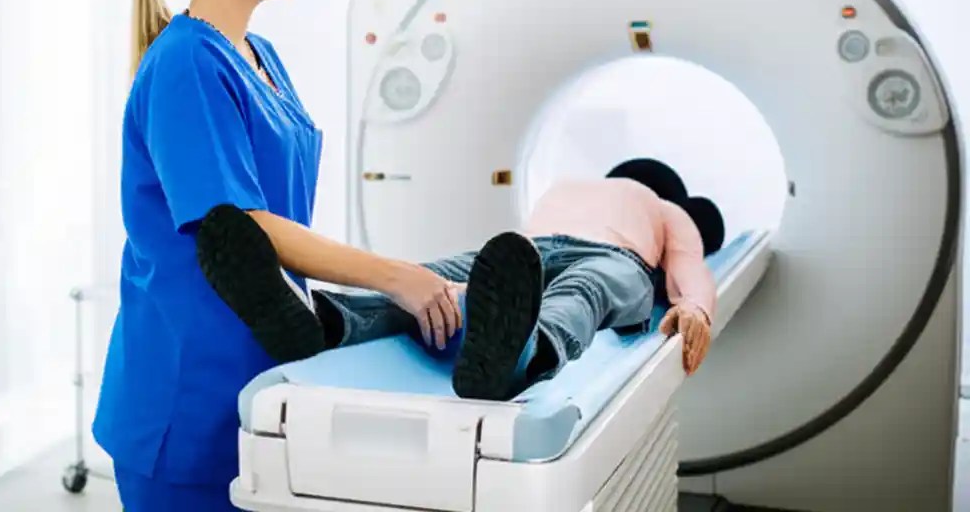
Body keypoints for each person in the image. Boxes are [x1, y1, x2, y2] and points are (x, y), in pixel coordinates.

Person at [90, 0, 464, 511]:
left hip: (258, 361)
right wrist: (394, 275)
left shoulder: (263, 60)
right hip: (187, 382)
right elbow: (244, 224)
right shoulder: (185, 64)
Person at [198, 158, 725, 402]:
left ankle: (326, 320)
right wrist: (695, 307)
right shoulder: (663, 209)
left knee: (432, 284)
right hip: (615, 257)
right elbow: (687, 269)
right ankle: (528, 351)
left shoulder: (570, 182)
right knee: (584, 295)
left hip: (533, 249)